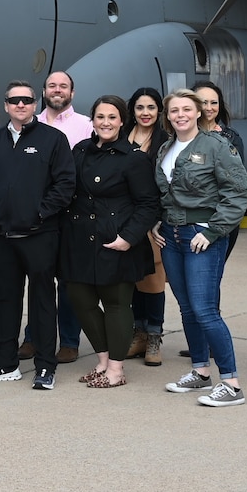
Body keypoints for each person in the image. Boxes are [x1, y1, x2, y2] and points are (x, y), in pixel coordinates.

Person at [0, 81, 76, 391]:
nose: (21, 105)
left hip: (40, 235)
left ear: (35, 104)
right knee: (3, 301)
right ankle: (5, 363)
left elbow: (66, 184)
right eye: (14, 100)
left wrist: (40, 213)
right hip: (2, 236)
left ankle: (45, 366)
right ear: (5, 105)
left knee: (42, 301)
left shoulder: (54, 139)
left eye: (27, 100)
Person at [155, 89, 247, 406]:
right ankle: (200, 372)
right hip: (172, 235)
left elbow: (237, 193)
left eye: (186, 109)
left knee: (205, 310)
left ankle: (231, 384)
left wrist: (213, 231)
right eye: (173, 110)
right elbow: (165, 193)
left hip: (201, 234)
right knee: (187, 309)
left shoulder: (216, 146)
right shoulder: (166, 148)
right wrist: (158, 222)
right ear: (167, 116)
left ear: (198, 112)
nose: (179, 114)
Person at [62, 96, 160, 388]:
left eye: (112, 117)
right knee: (82, 301)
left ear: (122, 121)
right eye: (100, 117)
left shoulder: (134, 157)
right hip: (79, 241)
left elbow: (149, 204)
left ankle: (116, 369)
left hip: (116, 241)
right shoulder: (80, 150)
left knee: (117, 304)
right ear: (92, 120)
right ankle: (103, 360)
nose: (105, 123)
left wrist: (128, 238)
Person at [38, 70, 94, 363]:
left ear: (72, 93)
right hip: (39, 215)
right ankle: (33, 337)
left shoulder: (86, 126)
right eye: (51, 86)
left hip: (73, 215)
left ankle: (69, 341)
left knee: (69, 282)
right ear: (44, 91)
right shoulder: (30, 124)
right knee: (39, 279)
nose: (57, 90)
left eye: (63, 86)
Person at [124, 87, 169, 365]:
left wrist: (159, 219)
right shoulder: (121, 136)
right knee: (131, 281)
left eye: (151, 108)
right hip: (125, 219)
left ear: (158, 111)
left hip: (153, 220)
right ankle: (137, 333)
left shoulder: (165, 141)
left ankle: (154, 336)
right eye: (140, 108)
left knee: (152, 281)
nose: (145, 113)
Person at [192, 79, 247, 264]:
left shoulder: (231, 138)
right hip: (187, 218)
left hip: (220, 219)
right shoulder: (181, 137)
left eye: (213, 102)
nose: (208, 107)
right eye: (203, 102)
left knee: (211, 276)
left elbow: (236, 184)